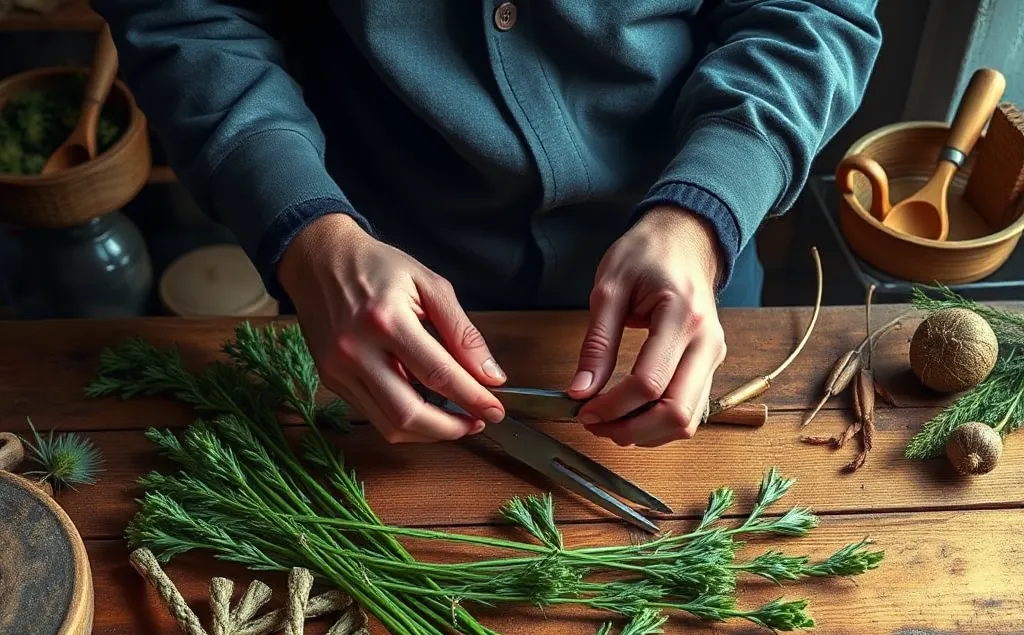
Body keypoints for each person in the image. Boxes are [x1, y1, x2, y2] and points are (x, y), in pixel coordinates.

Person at [96, 1, 881, 447]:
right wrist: (307, 234)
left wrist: (704, 208)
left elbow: (812, 11)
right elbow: (186, 15)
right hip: (364, 298)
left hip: (685, 290)